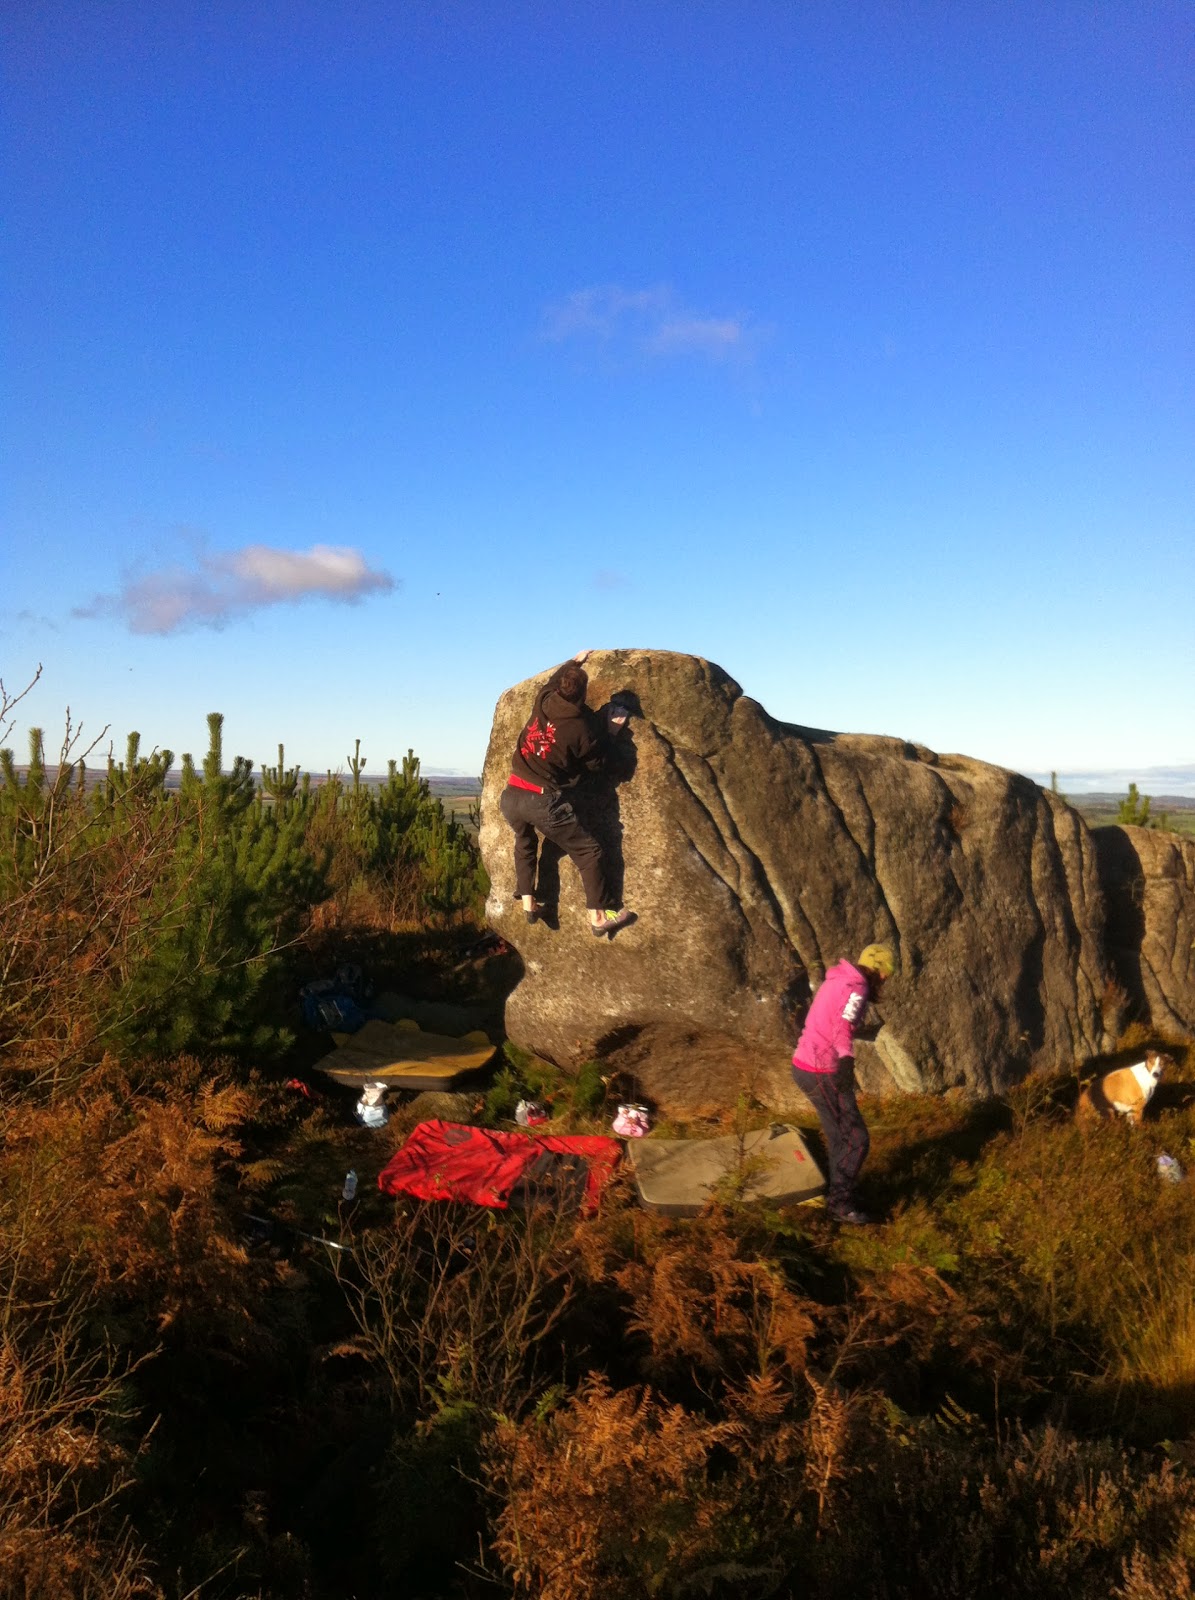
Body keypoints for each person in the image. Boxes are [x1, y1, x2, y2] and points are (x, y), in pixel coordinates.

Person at [499, 651, 636, 939]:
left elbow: (552, 680)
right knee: (589, 851)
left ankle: (528, 900)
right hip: (541, 800)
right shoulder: (582, 729)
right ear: (583, 695)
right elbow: (598, 764)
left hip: (511, 795)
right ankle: (599, 917)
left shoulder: (544, 700)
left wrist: (574, 662)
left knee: (524, 841)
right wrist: (610, 732)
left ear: (560, 687)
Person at [791, 943, 896, 1224]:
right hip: (821, 1069)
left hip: (807, 1066)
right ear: (876, 968)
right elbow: (843, 1027)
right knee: (856, 1138)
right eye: (885, 972)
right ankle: (839, 1203)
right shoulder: (857, 987)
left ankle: (841, 1191)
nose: (885, 979)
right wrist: (846, 1064)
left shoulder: (840, 979)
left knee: (840, 1135)